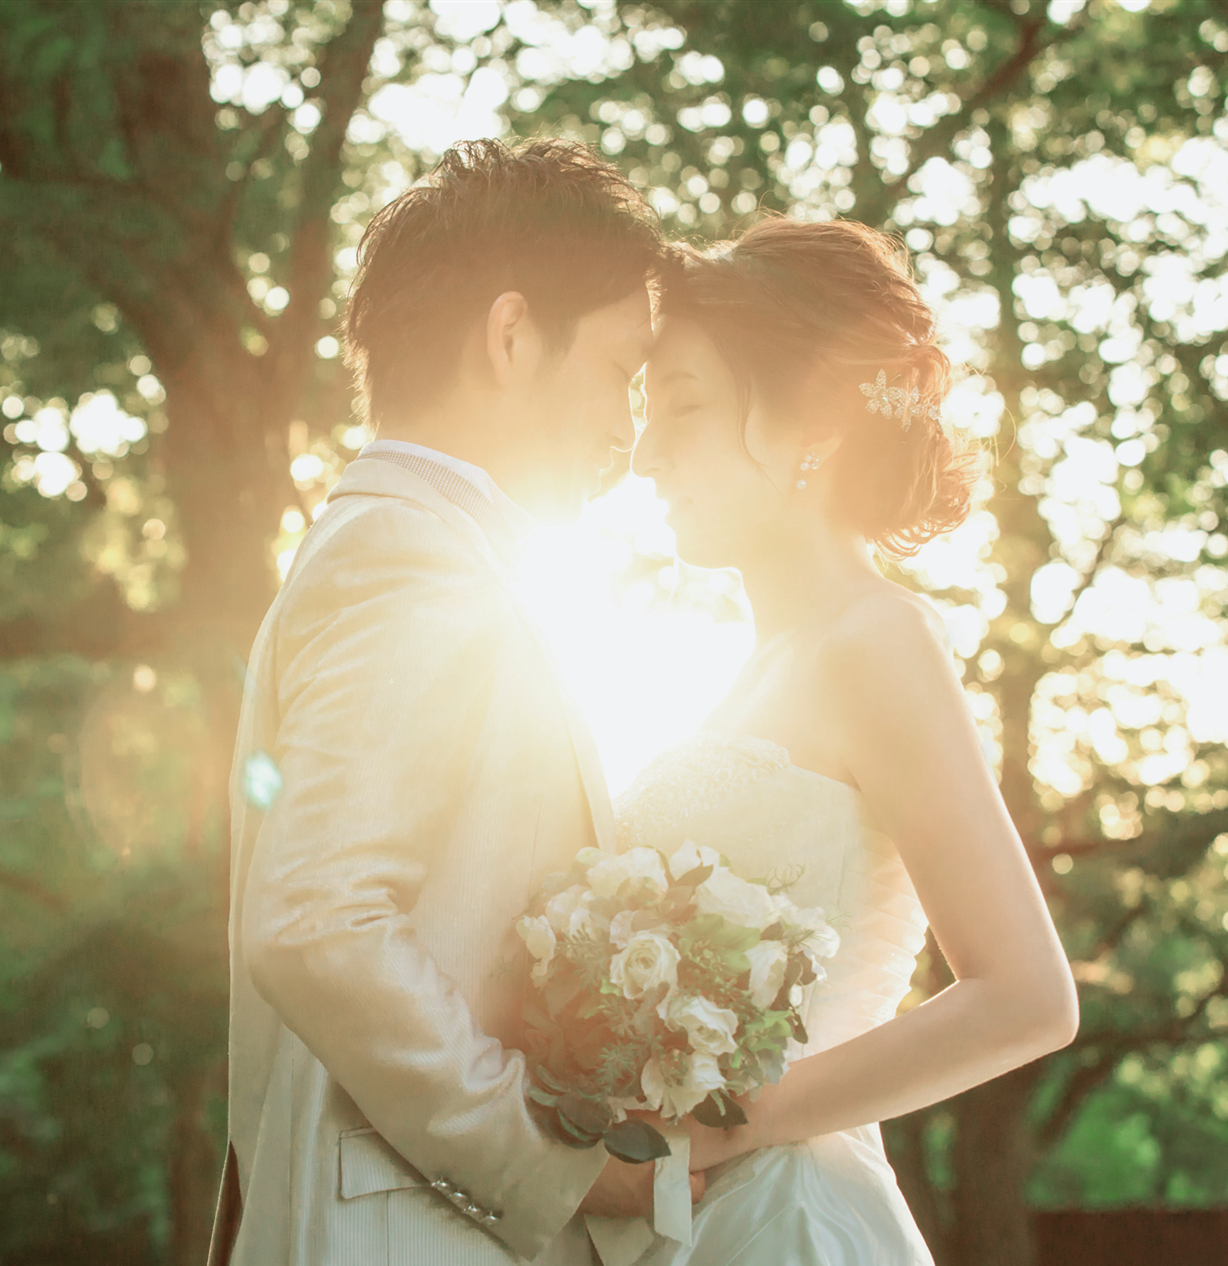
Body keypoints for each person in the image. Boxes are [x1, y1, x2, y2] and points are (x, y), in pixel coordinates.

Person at [208, 138, 697, 1266]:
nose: (629, 432)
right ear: (514, 335)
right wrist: (554, 1159)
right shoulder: (407, 556)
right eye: (622, 371)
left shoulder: (422, 549)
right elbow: (317, 923)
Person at [618, 218, 1079, 1264]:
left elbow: (1025, 994)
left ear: (808, 421)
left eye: (681, 408)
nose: (644, 455)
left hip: (785, 1219)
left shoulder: (876, 638)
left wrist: (716, 1126)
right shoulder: (758, 669)